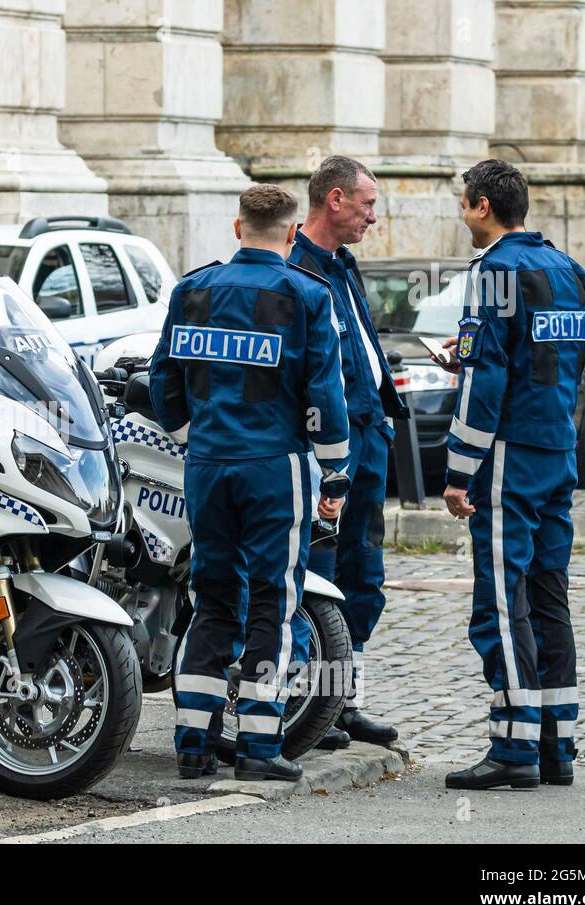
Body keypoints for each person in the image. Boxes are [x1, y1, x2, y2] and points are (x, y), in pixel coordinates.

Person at [150, 184, 350, 781]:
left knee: (211, 597)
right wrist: (337, 472)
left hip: (207, 465)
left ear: (238, 229)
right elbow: (325, 394)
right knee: (274, 599)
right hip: (273, 467)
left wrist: (192, 433)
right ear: (292, 235)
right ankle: (261, 747)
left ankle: (193, 742)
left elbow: (164, 378)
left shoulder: (193, 289)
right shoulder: (307, 294)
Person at [430, 159, 585, 790]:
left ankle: (515, 747)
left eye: (462, 203)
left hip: (511, 456)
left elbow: (488, 378)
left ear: (481, 206)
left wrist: (457, 470)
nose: (461, 213)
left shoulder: (495, 272)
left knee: (501, 600)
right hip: (556, 449)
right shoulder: (569, 269)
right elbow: (566, 365)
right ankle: (559, 744)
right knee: (550, 596)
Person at [289, 155, 408, 749]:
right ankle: (314, 703)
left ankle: (346, 698)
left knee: (364, 571)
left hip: (368, 434)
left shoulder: (342, 265)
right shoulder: (294, 269)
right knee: (321, 572)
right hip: (323, 448)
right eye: (366, 204)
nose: (373, 216)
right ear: (334, 201)